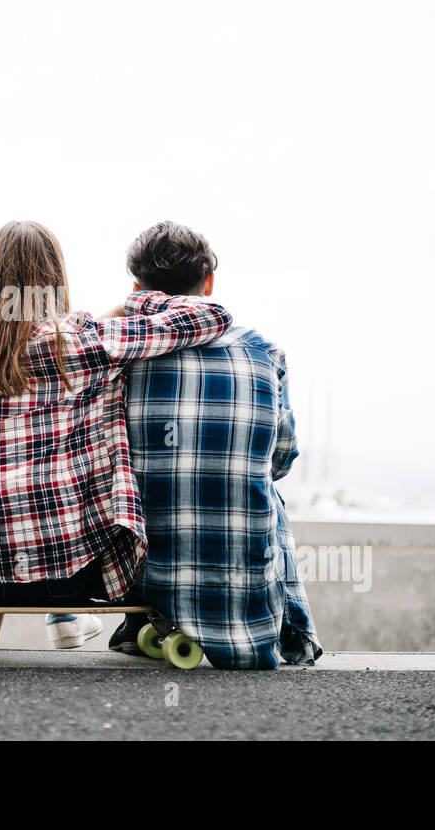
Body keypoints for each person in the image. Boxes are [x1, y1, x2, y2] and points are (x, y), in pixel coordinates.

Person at [0, 220, 233, 648]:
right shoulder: (84, 344)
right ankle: (64, 617)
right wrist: (129, 303)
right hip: (66, 579)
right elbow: (212, 317)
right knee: (88, 425)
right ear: (55, 281)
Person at [112, 221, 322, 668]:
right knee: (268, 489)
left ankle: (140, 624)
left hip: (145, 575)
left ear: (136, 291)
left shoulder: (123, 355)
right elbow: (281, 458)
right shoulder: (264, 352)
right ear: (208, 283)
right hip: (248, 601)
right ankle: (295, 633)